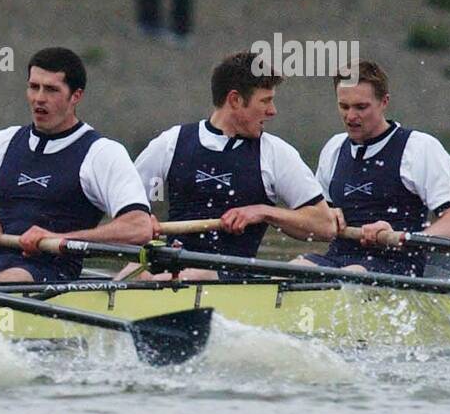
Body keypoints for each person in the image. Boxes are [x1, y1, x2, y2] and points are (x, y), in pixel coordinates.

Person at [0, 48, 152, 284]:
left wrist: (61, 239)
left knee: (10, 280)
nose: (39, 98)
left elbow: (139, 227)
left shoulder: (102, 153)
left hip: (54, 273)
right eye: (34, 87)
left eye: (51, 89)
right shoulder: (3, 142)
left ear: (76, 96)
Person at [128, 50, 337, 280]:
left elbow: (324, 225)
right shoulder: (171, 143)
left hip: (229, 279)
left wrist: (264, 212)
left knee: (194, 276)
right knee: (131, 273)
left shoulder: (275, 154)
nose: (273, 111)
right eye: (265, 101)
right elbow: (126, 209)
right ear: (235, 100)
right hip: (171, 268)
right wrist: (141, 220)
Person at [292, 61, 450, 276]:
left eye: (361, 107)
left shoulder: (420, 148)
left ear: (384, 102)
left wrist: (403, 238)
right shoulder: (334, 148)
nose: (350, 116)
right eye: (344, 106)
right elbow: (316, 220)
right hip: (337, 258)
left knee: (352, 274)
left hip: (398, 264)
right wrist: (326, 214)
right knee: (292, 269)